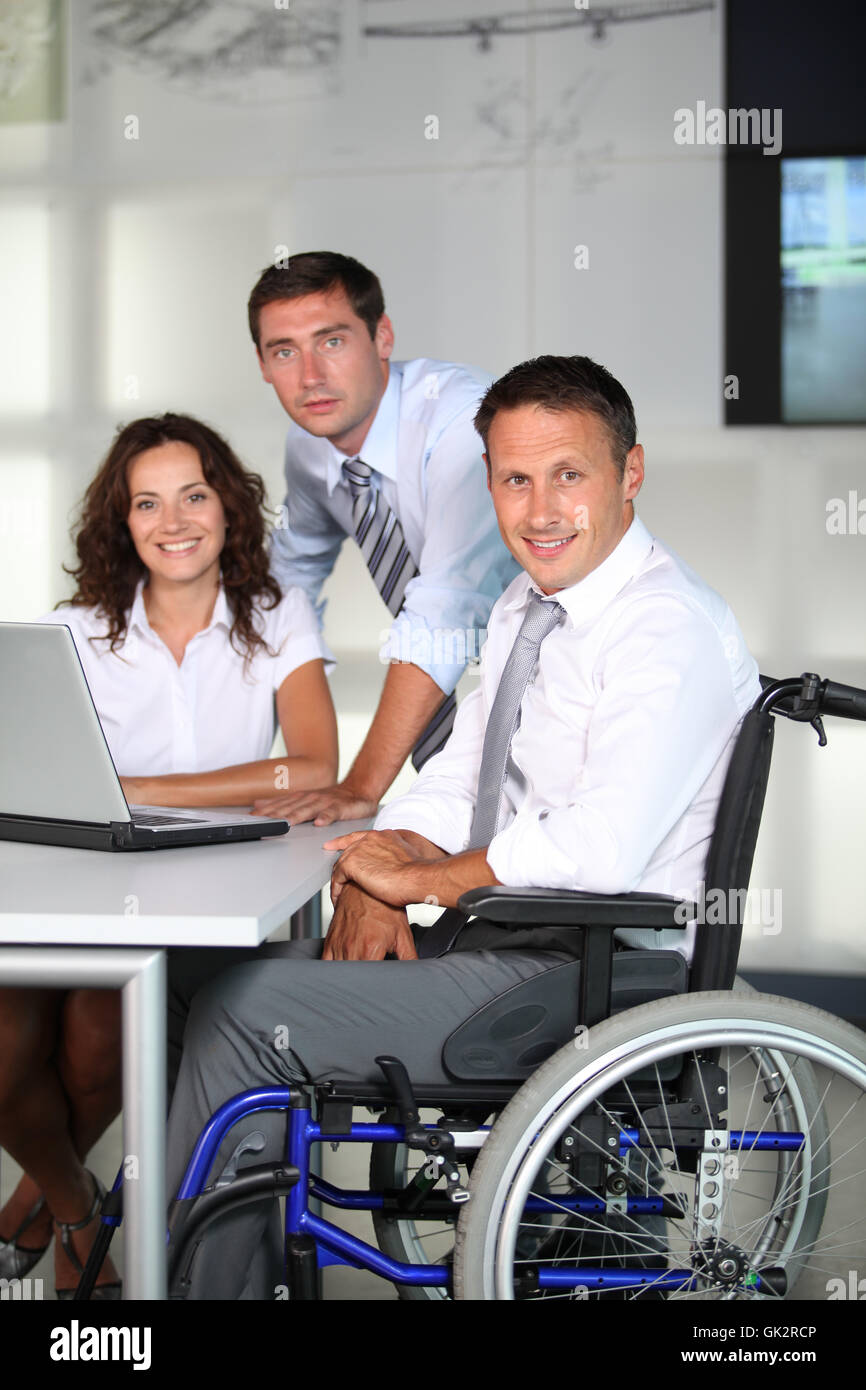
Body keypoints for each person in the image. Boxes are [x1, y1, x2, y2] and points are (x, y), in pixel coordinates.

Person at [164, 354, 761, 1298]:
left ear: (629, 474)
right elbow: (458, 774)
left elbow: (600, 849)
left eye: (570, 475)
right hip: (501, 937)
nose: (539, 508)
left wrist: (427, 881)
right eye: (514, 479)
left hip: (586, 973)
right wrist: (372, 868)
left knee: (245, 1016)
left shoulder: (663, 630)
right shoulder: (532, 602)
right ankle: (228, 1265)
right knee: (187, 986)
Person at [0, 413, 338, 1297]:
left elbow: (311, 764)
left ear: (227, 506)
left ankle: (48, 1205)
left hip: (203, 900)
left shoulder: (275, 615)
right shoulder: (70, 631)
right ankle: (77, 1206)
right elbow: (30, 783)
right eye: (147, 502)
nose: (174, 520)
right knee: (2, 1049)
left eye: (193, 494)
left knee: (94, 1037)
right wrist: (205, 784)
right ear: (123, 520)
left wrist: (137, 788)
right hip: (66, 888)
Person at [248, 251, 519, 827]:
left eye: (333, 341)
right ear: (263, 364)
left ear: (382, 336)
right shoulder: (310, 443)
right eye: (285, 351)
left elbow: (445, 612)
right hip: (471, 719)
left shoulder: (461, 421)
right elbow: (288, 578)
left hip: (555, 681)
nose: (311, 376)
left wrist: (361, 785)